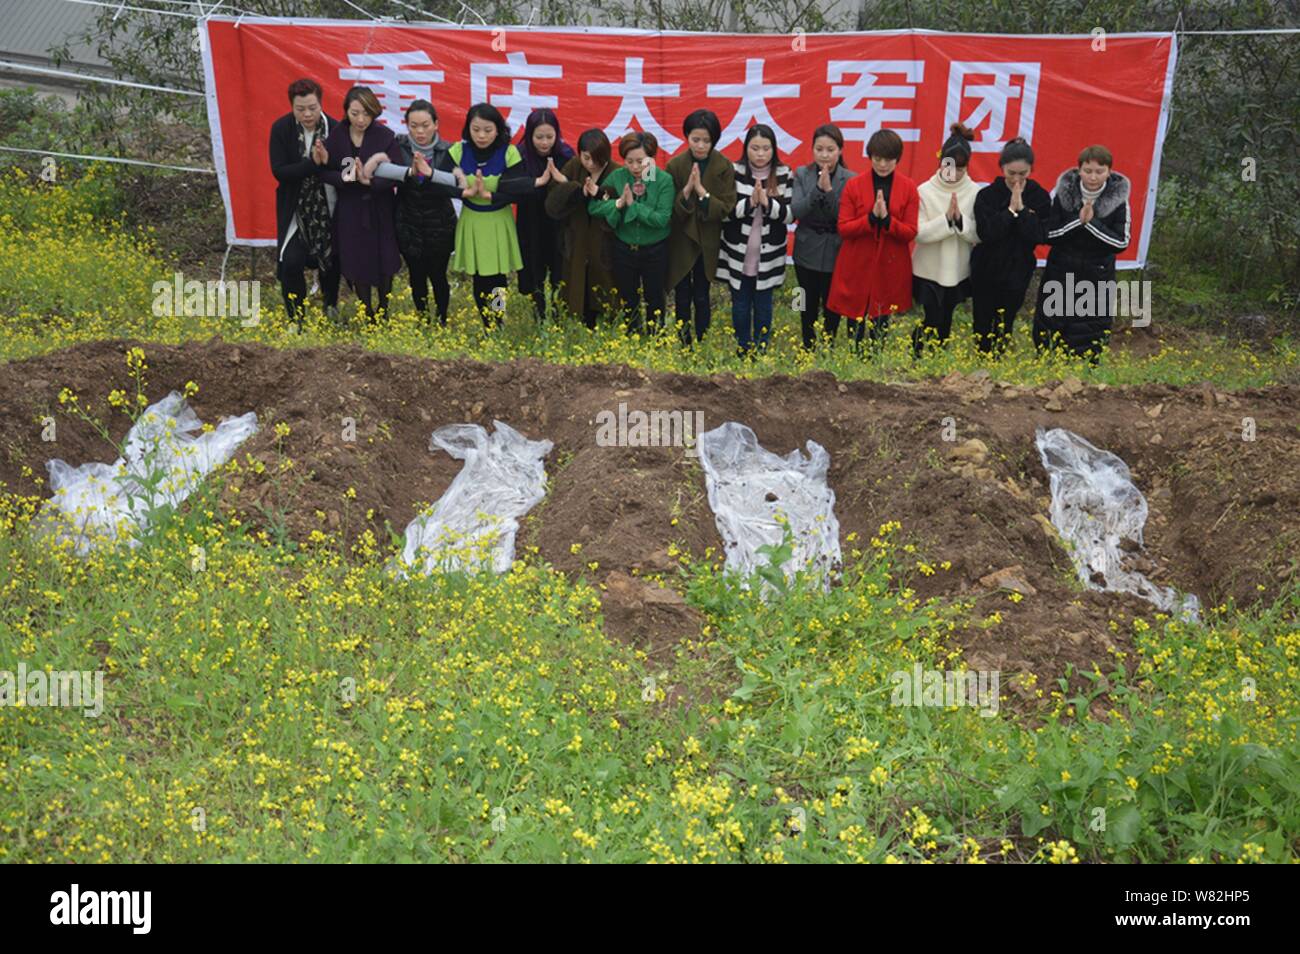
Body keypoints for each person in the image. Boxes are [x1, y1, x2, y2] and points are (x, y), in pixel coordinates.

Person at [436, 103, 533, 327]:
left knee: (498, 277)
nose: (481, 135)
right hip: (473, 219)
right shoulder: (457, 152)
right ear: (468, 128)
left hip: (499, 219)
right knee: (479, 276)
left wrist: (491, 195)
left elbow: (517, 191)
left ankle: (498, 318)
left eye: (488, 130)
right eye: (476, 129)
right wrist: (463, 193)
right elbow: (439, 183)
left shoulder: (510, 153)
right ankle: (486, 322)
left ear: (498, 129)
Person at [363, 100, 458, 325]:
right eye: (414, 126)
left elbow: (457, 184)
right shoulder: (399, 147)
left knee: (438, 276)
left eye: (425, 125)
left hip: (439, 224)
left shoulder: (449, 151)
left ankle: (443, 318)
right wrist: (408, 171)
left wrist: (430, 173)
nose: (420, 131)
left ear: (436, 124)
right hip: (408, 223)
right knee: (417, 277)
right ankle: (423, 318)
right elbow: (377, 169)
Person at [1034, 144, 1131, 361]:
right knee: (1051, 324)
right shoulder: (1062, 193)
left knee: (1090, 329)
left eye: (1099, 171)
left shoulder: (1119, 200)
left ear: (1109, 172)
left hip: (1097, 275)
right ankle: (1047, 365)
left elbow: (1121, 242)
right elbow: (1047, 234)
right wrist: (1077, 222)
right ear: (1079, 170)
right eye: (1088, 171)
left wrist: (1092, 224)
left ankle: (1086, 370)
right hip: (1060, 272)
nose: (1093, 177)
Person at [826, 129, 919, 350]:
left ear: (897, 159)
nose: (883, 165)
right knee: (853, 312)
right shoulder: (854, 185)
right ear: (870, 157)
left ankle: (876, 359)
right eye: (877, 159)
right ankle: (854, 356)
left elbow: (910, 231)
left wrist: (887, 221)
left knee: (882, 315)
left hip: (890, 261)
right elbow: (844, 228)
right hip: (857, 260)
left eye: (888, 160)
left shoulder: (908, 188)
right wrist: (870, 219)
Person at [319, 86, 404, 321]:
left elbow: (396, 172)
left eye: (366, 114)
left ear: (374, 113)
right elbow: (326, 172)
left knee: (384, 258)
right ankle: (367, 311)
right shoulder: (337, 135)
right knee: (356, 260)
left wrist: (370, 181)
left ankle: (384, 308)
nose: (360, 119)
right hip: (350, 208)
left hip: (379, 207)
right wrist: (345, 178)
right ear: (346, 111)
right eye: (354, 113)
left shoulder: (385, 136)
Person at [587, 131, 674, 336]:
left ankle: (656, 338)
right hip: (623, 248)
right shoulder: (618, 176)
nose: (635, 167)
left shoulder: (662, 180)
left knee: (655, 296)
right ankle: (633, 335)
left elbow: (661, 219)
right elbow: (594, 207)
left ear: (651, 158)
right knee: (628, 296)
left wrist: (633, 207)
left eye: (641, 162)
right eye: (629, 161)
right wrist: (617, 204)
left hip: (655, 249)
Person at [970, 137, 1051, 355]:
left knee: (1006, 319)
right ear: (1002, 168)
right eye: (1011, 173)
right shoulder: (987, 195)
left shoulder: (1039, 196)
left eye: (1022, 174)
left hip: (1018, 269)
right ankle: (981, 358)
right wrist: (1009, 213)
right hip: (986, 268)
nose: (1016, 179)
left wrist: (1023, 211)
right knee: (983, 318)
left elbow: (1041, 235)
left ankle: (999, 356)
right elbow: (986, 233)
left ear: (1030, 170)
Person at [716, 124, 792, 355]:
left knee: (763, 304)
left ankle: (761, 348)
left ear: (774, 149)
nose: (760, 154)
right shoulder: (733, 170)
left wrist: (768, 204)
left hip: (768, 254)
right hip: (738, 251)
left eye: (766, 148)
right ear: (746, 148)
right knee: (740, 303)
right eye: (755, 148)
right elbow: (725, 213)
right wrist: (750, 203)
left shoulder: (784, 173)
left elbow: (789, 216)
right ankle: (742, 348)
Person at [269, 78, 340, 323]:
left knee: (330, 261)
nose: (307, 114)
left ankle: (331, 305)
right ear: (292, 107)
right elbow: (279, 171)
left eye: (312, 107)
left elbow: (349, 173)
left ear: (321, 103)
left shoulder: (336, 129)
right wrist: (312, 164)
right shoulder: (281, 129)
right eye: (301, 109)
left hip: (330, 208)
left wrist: (328, 163)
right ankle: (295, 317)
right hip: (296, 210)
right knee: (290, 262)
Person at [665, 110, 737, 346]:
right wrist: (687, 191)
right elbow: (669, 209)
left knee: (702, 296)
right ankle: (684, 344)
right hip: (682, 241)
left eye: (706, 141)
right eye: (695, 139)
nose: (700, 145)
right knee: (683, 295)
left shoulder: (724, 165)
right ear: (687, 137)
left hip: (708, 240)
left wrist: (702, 193)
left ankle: (703, 341)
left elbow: (726, 207)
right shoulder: (675, 165)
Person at [910, 122, 980, 357]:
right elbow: (919, 232)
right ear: (940, 162)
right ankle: (917, 351)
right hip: (928, 267)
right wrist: (946, 221)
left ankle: (939, 357)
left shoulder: (974, 192)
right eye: (949, 166)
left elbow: (977, 234)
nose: (953, 173)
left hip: (958, 268)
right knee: (932, 314)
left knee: (947, 315)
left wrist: (960, 220)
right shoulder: (924, 191)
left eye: (960, 168)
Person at [544, 128, 620, 329]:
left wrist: (598, 194)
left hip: (602, 239)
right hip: (576, 238)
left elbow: (619, 203)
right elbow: (554, 201)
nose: (591, 164)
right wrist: (576, 189)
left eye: (597, 159)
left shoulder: (615, 171)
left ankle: (607, 322)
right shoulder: (574, 166)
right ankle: (564, 319)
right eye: (586, 158)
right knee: (575, 281)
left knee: (604, 280)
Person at [791, 123, 856, 348]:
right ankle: (807, 345)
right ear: (812, 150)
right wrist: (817, 190)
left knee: (832, 303)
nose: (824, 155)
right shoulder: (801, 173)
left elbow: (843, 217)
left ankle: (828, 345)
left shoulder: (850, 179)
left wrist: (828, 192)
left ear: (840, 150)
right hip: (805, 248)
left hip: (836, 250)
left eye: (830, 150)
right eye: (819, 149)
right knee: (803, 301)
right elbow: (796, 211)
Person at [515, 108, 575, 322]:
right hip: (530, 224)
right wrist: (537, 182)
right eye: (539, 137)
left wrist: (563, 181)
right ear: (530, 135)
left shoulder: (566, 155)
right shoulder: (518, 155)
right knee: (532, 274)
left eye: (550, 137)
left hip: (558, 225)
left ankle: (558, 316)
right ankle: (537, 316)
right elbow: (509, 187)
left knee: (559, 274)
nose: (544, 142)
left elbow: (576, 191)